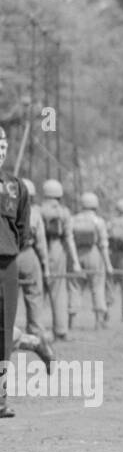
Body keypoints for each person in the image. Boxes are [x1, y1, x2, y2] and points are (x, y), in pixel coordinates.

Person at [0, 127, 32, 419]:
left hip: (7, 264)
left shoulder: (16, 187)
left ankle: (0, 399)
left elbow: (23, 227)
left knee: (4, 331)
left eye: (2, 145)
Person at [16, 178, 55, 364]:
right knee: (34, 295)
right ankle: (36, 333)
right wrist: (46, 267)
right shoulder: (35, 213)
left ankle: (12, 330)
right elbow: (41, 243)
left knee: (7, 299)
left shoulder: (5, 208)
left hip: (9, 257)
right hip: (28, 255)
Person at [39, 179, 80, 340]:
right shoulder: (64, 212)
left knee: (37, 293)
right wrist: (75, 261)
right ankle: (61, 330)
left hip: (38, 250)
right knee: (59, 291)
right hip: (58, 250)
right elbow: (69, 238)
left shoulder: (38, 210)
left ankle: (36, 329)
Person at [69, 192, 111, 330]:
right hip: (94, 254)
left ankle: (72, 321)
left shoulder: (73, 219)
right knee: (97, 287)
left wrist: (74, 260)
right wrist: (108, 264)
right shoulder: (99, 221)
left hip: (77, 254)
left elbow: (69, 239)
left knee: (75, 288)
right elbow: (103, 244)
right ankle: (98, 321)